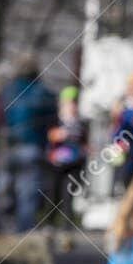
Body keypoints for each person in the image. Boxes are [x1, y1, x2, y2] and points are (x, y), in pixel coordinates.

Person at [1, 56, 57, 232]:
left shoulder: (8, 92)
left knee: (4, 188)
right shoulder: (43, 93)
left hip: (9, 146)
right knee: (27, 193)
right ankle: (23, 232)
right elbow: (53, 120)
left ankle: (2, 226)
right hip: (32, 147)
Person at [43, 85, 88, 240]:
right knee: (53, 194)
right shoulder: (55, 119)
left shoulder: (81, 123)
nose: (72, 106)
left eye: (74, 103)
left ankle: (67, 227)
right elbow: (48, 137)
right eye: (69, 102)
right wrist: (57, 135)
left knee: (68, 194)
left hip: (74, 164)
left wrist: (85, 150)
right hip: (56, 164)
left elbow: (84, 142)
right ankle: (49, 224)